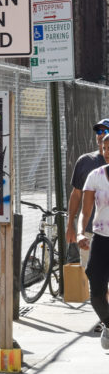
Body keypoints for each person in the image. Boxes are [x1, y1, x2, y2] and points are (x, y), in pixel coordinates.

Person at [67, 118, 109, 332]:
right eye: (99, 131)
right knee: (95, 278)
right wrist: (72, 226)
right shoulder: (87, 165)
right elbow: (78, 198)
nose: (101, 134)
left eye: (106, 131)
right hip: (96, 235)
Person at [77, 131, 109, 350]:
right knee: (96, 291)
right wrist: (80, 231)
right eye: (105, 148)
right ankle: (108, 323)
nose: (106, 152)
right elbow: (85, 210)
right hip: (101, 239)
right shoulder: (95, 176)